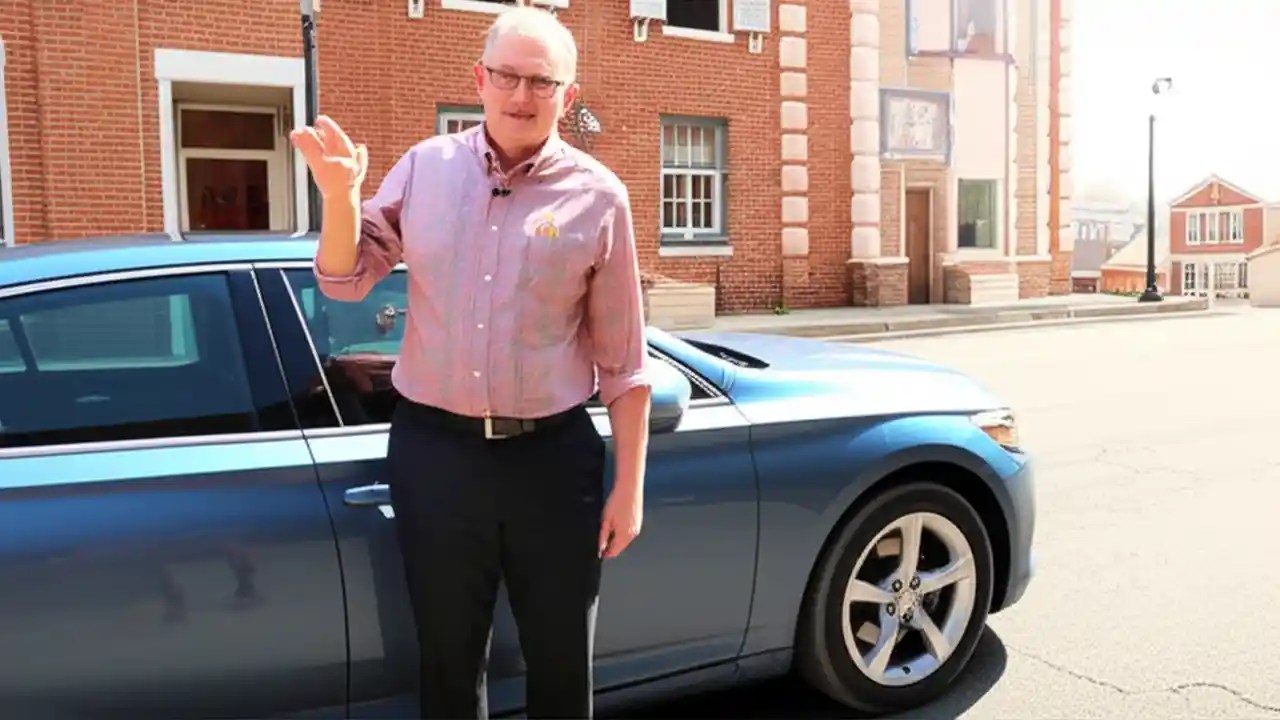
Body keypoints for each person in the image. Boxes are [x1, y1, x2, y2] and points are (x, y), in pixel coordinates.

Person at [288, 6, 651, 720]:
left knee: (560, 660)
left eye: (541, 82)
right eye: (508, 76)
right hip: (437, 454)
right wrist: (339, 199)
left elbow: (625, 360)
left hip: (553, 461)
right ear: (478, 79)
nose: (522, 95)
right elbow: (345, 277)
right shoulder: (425, 169)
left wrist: (630, 487)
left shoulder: (600, 197)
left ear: (567, 96)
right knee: (448, 663)